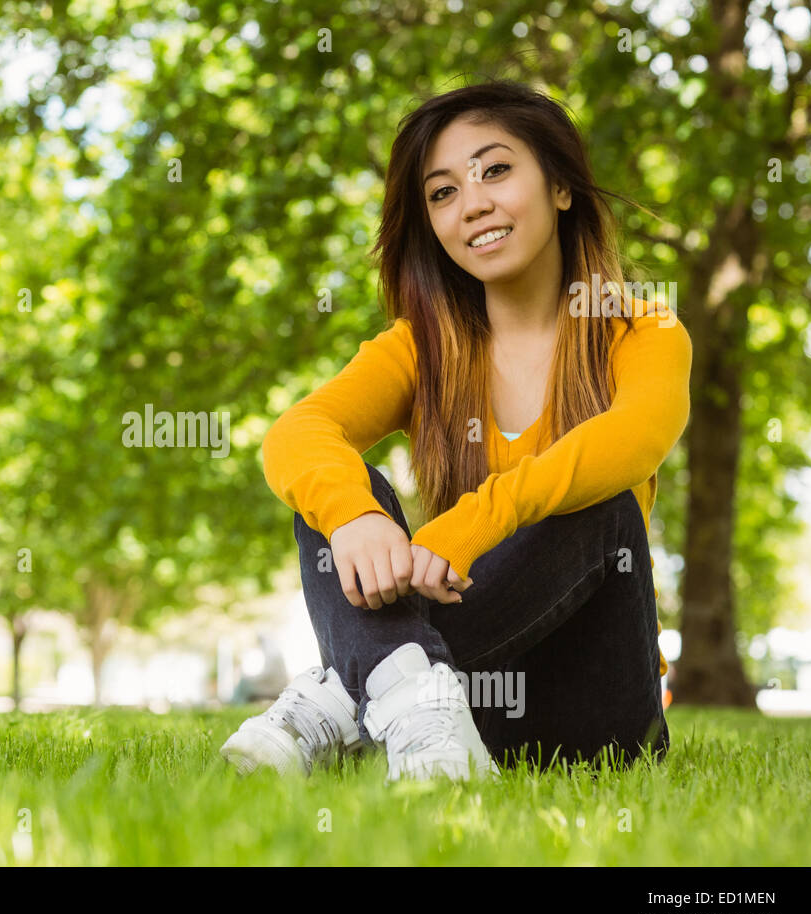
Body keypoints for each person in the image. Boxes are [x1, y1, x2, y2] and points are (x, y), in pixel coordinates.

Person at [220, 79, 691, 782]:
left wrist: (470, 524)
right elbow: (299, 430)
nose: (472, 204)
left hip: (598, 711)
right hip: (462, 703)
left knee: (603, 500)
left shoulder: (642, 329)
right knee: (337, 489)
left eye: (495, 170)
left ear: (561, 187)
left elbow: (633, 441)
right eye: (442, 193)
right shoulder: (421, 348)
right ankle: (408, 702)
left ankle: (346, 697)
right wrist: (354, 519)